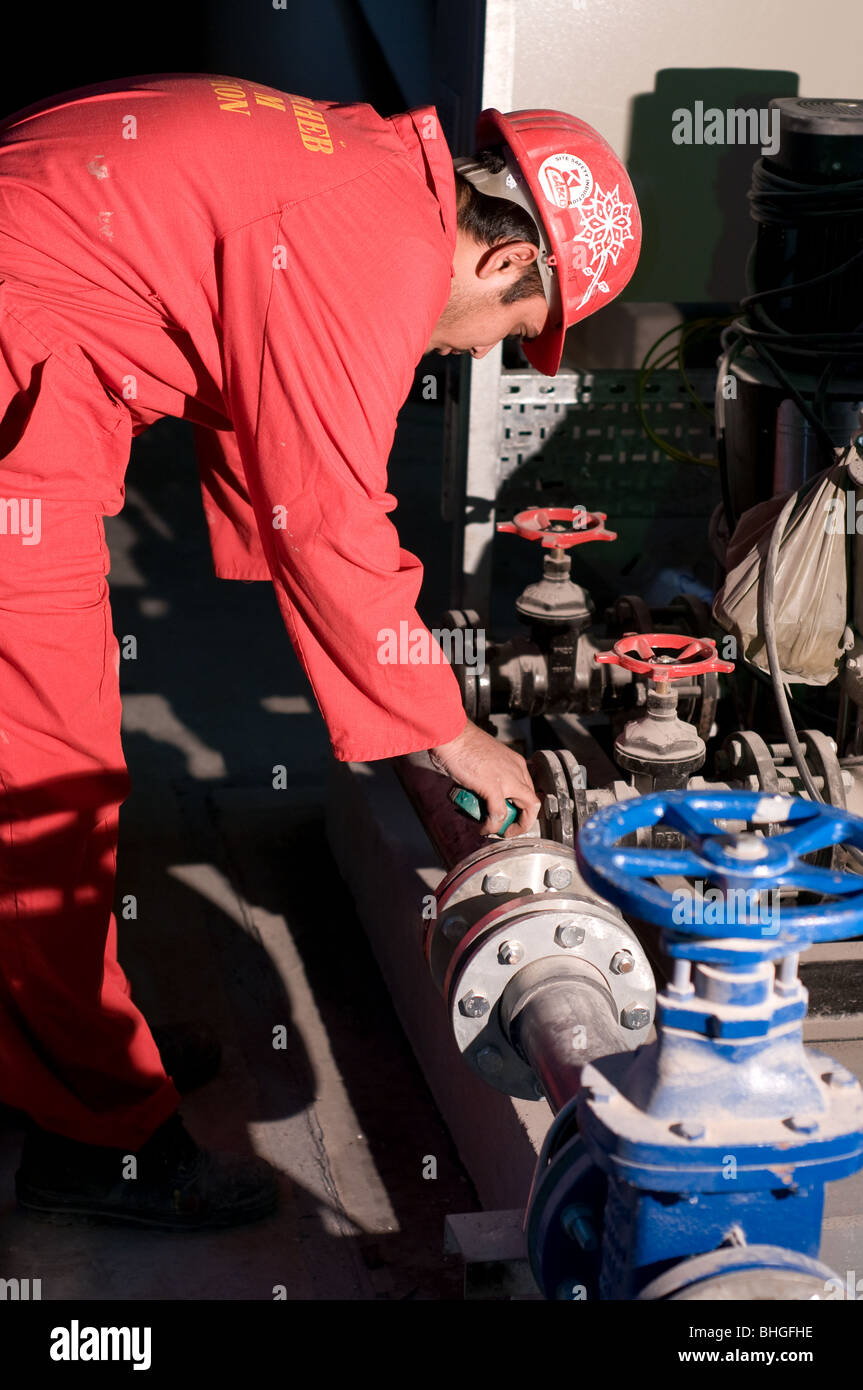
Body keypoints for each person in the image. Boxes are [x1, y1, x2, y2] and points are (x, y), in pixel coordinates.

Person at [0, 75, 641, 1230]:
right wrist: (443, 727)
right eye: (513, 331)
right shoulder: (373, 249)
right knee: (46, 781)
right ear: (502, 266)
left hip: (33, 342)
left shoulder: (358, 176)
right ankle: (92, 1135)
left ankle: (67, 1054)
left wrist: (397, 722)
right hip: (17, 380)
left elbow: (263, 462)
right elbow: (331, 515)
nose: (480, 349)